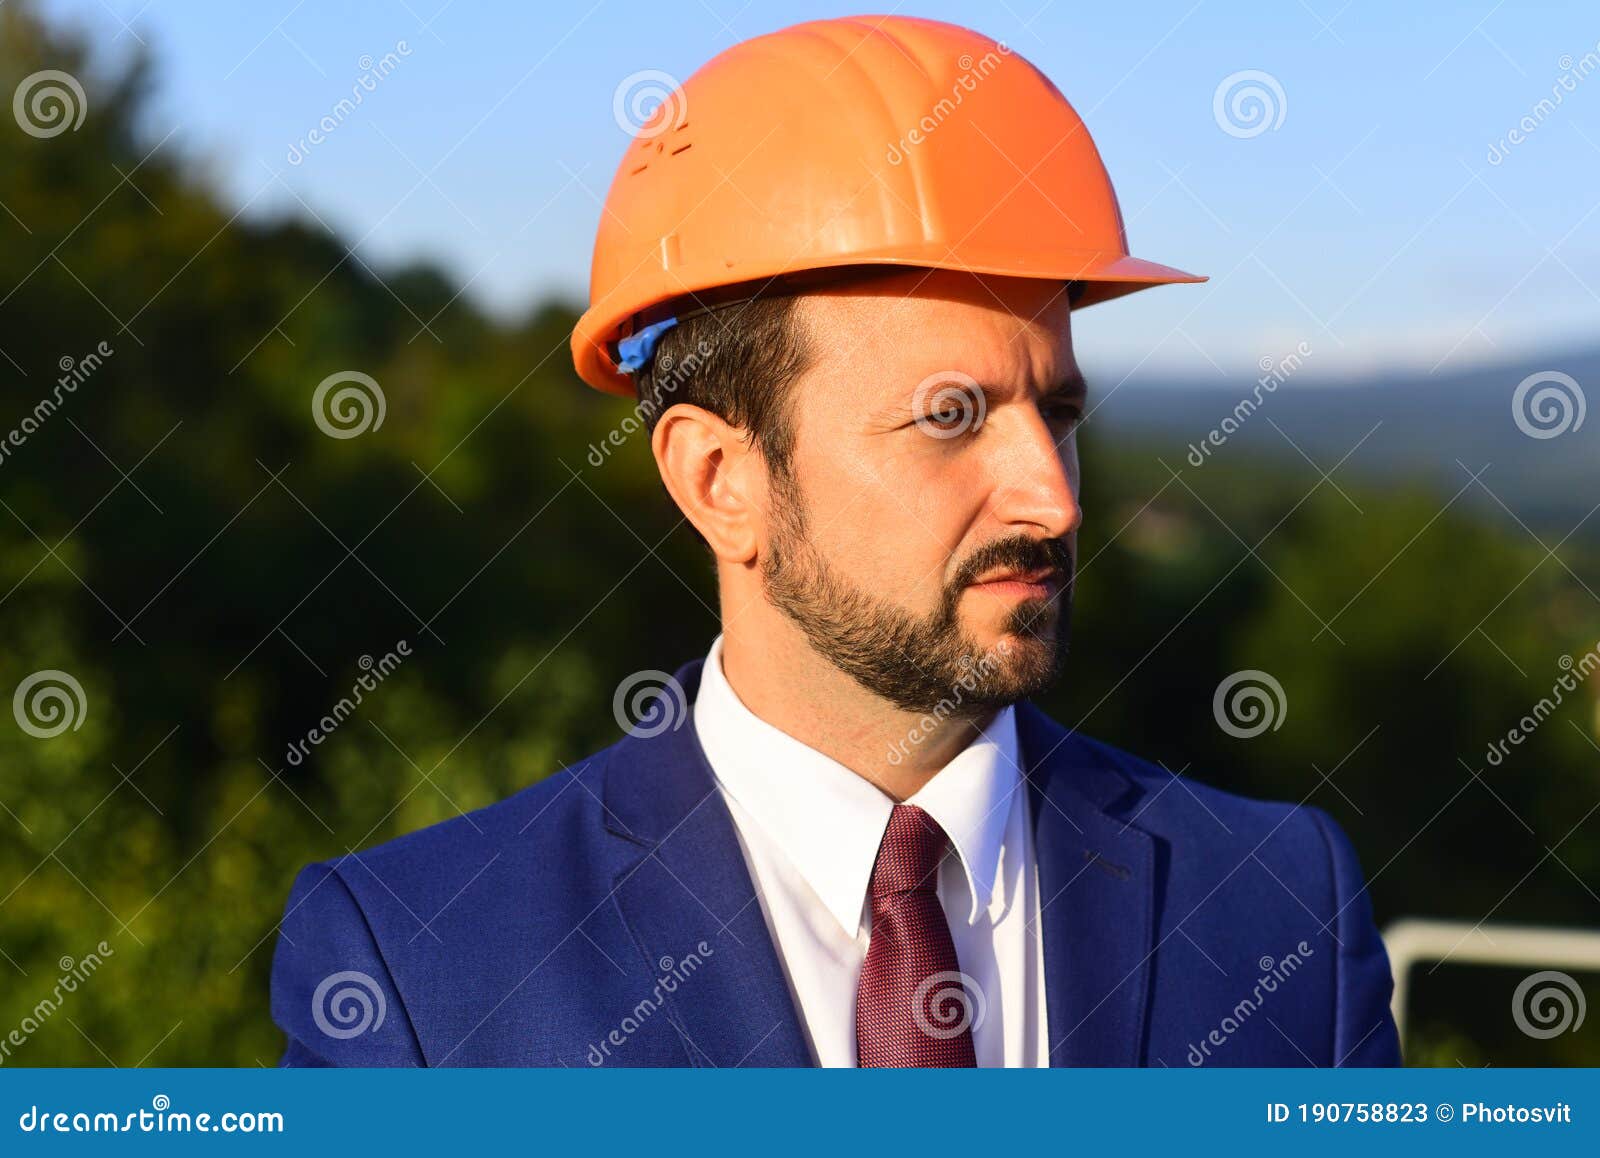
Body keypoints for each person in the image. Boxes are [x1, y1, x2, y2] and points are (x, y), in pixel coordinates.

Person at [270, 14, 1402, 1068]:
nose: (1051, 501)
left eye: (1055, 413)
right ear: (721, 482)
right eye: (949, 418)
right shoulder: (421, 972)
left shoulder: (1278, 905)